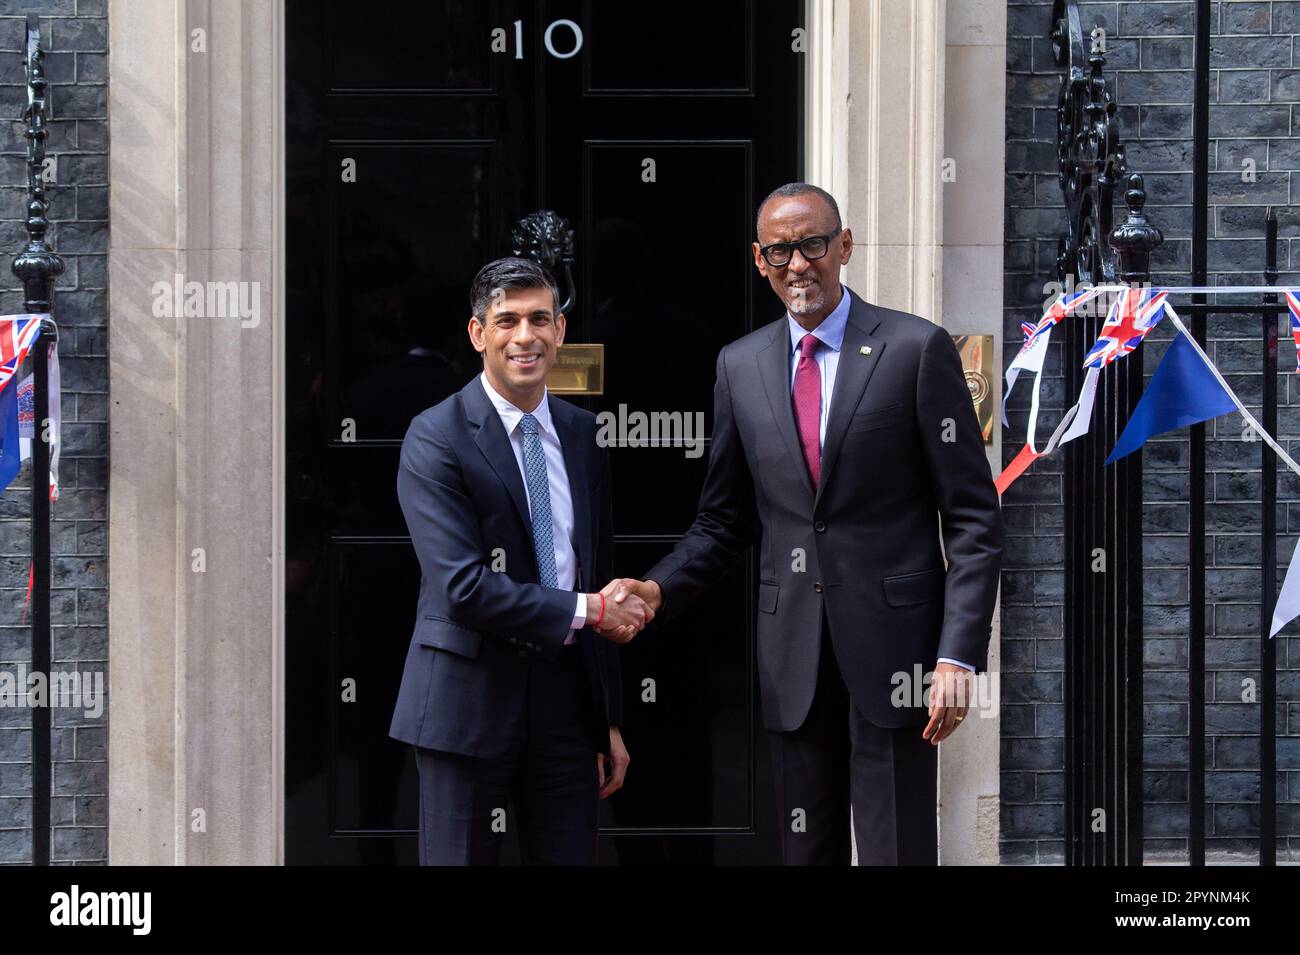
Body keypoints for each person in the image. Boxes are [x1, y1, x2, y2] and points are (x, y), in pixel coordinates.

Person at [608, 183, 1003, 865]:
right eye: (781, 251)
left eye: (813, 244)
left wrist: (957, 653)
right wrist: (658, 589)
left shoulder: (915, 349)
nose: (799, 264)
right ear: (759, 261)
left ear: (843, 246)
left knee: (897, 849)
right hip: (792, 653)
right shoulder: (740, 365)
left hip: (898, 651)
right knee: (804, 849)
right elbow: (723, 521)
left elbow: (972, 516)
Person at [389, 256, 654, 864]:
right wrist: (589, 609)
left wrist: (606, 719)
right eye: (506, 320)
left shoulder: (584, 435)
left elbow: (597, 570)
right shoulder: (436, 435)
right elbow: (463, 587)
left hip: (564, 707)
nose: (525, 336)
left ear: (561, 331)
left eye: (540, 318)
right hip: (466, 699)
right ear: (479, 334)